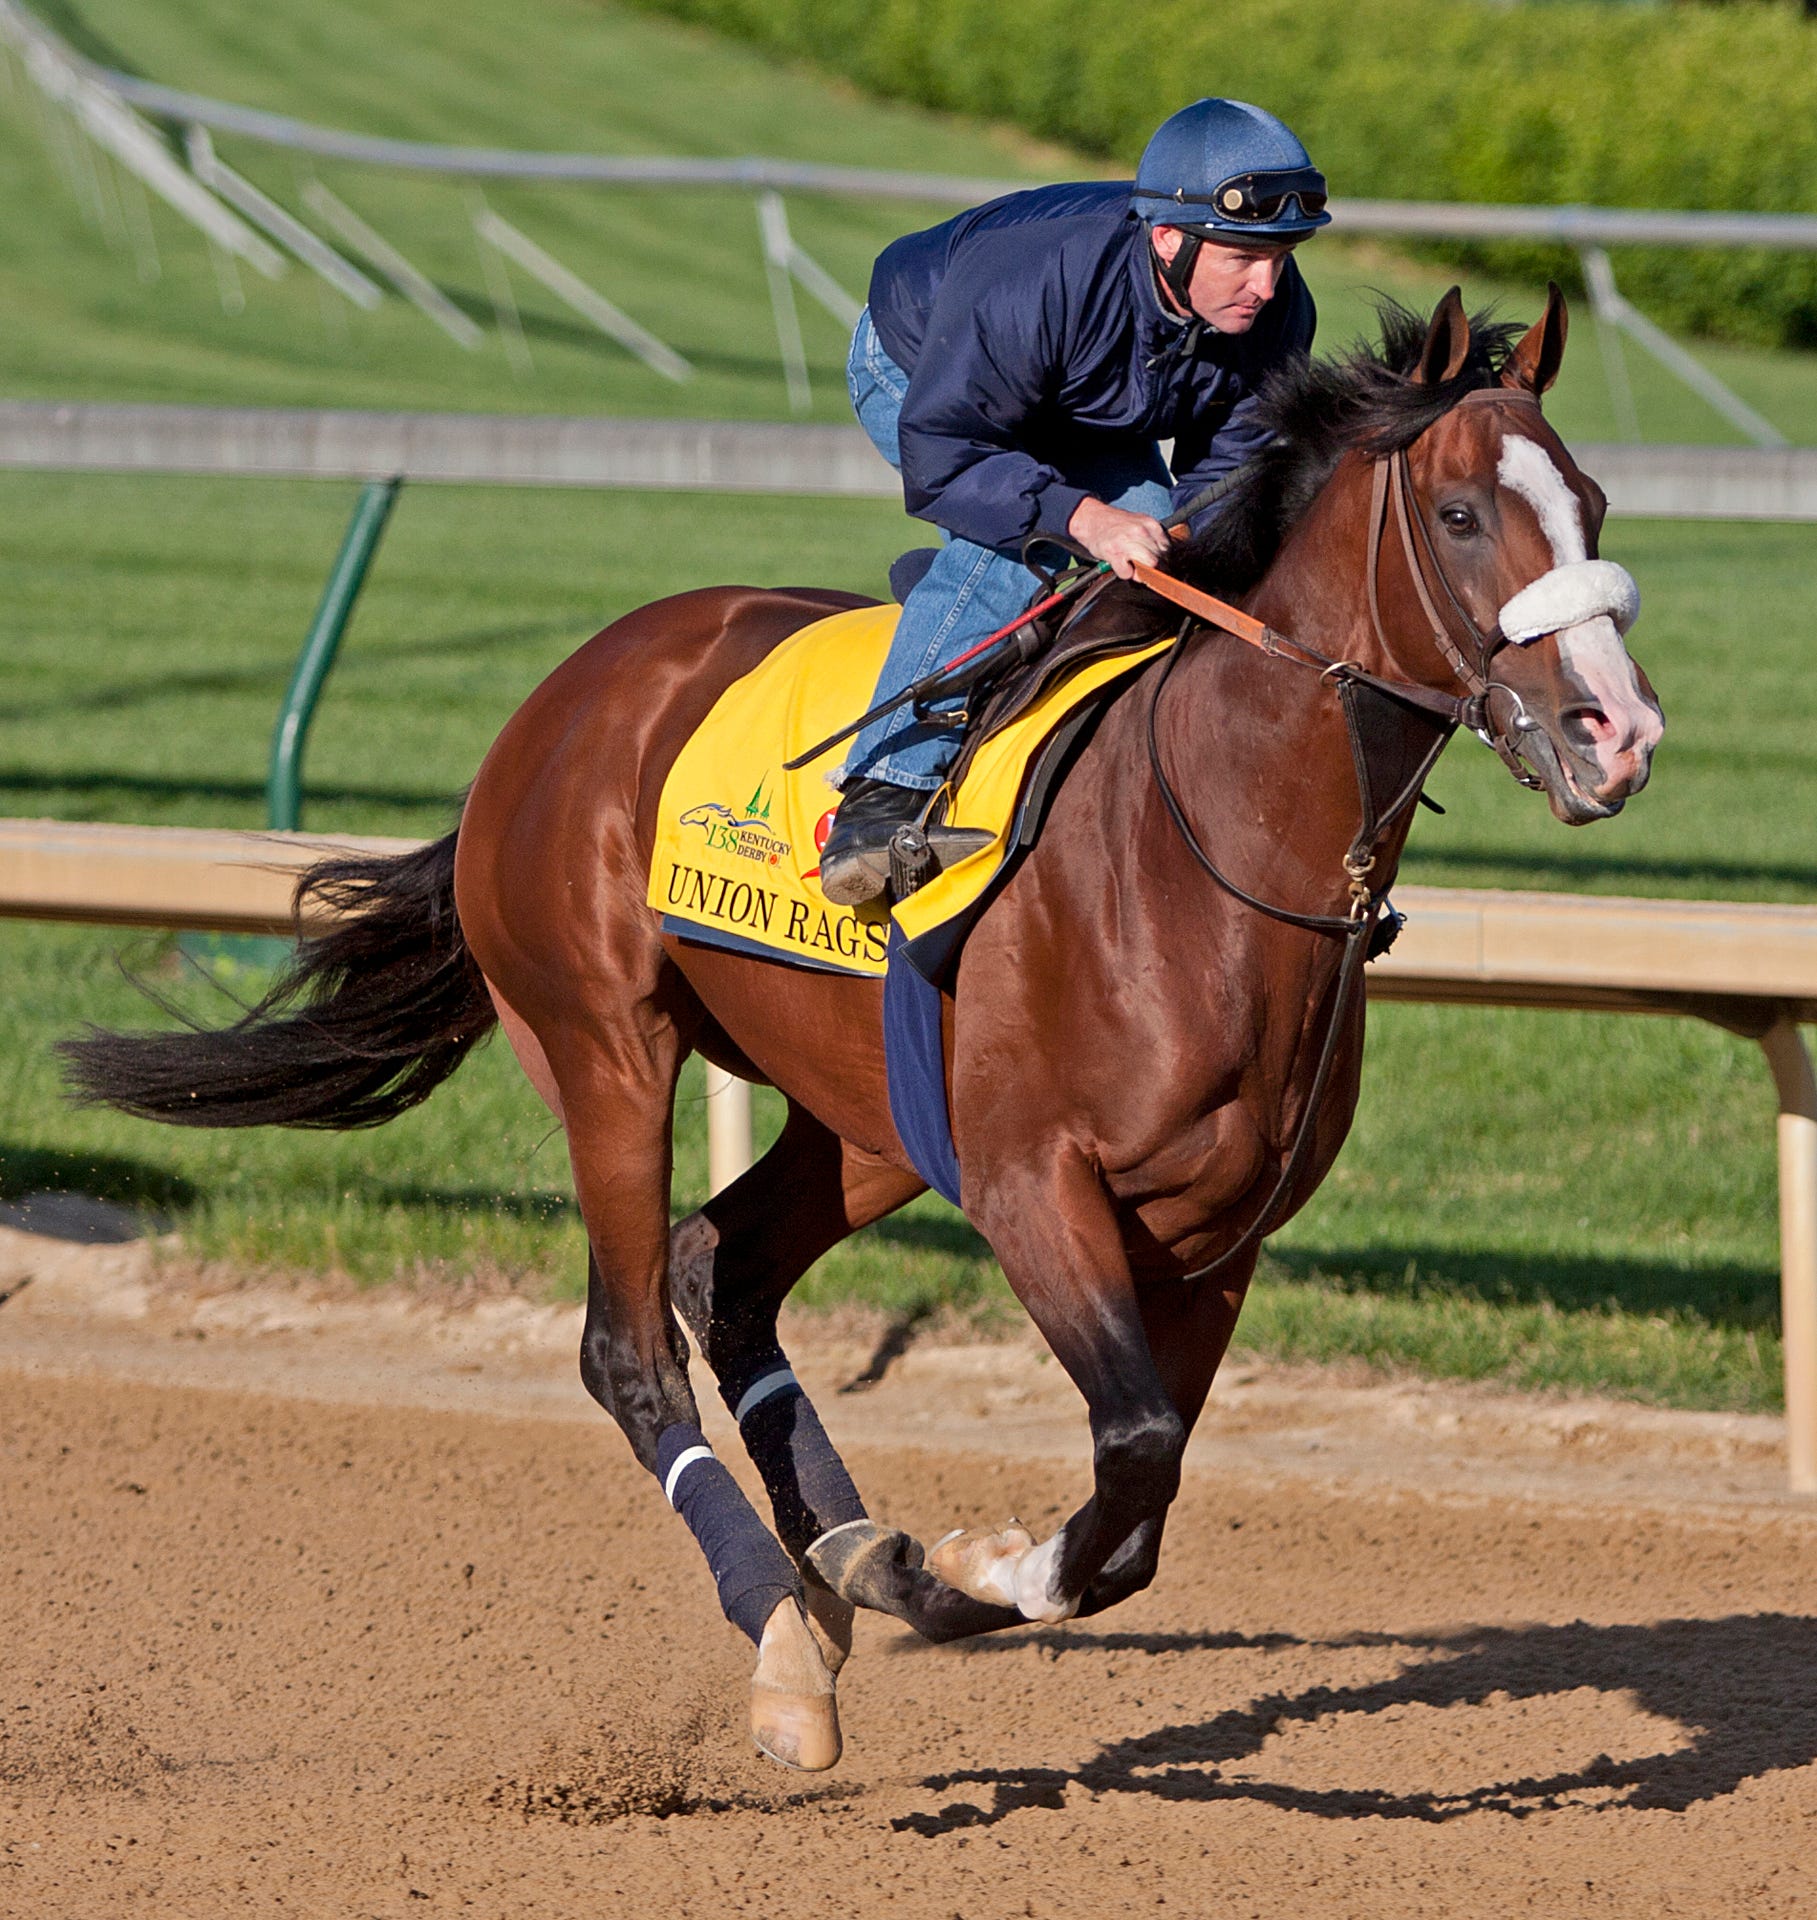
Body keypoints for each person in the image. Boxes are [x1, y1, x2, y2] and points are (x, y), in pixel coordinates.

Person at [818, 97, 1330, 908]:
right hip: (924, 374)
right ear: (1168, 237)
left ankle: (989, 635)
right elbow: (947, 456)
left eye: (1282, 254)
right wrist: (1082, 519)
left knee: (1160, 551)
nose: (1266, 286)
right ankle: (877, 798)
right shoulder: (1036, 275)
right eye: (1241, 258)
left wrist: (1183, 539)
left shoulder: (1273, 310)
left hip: (1071, 405)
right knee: (1022, 542)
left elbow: (1225, 478)